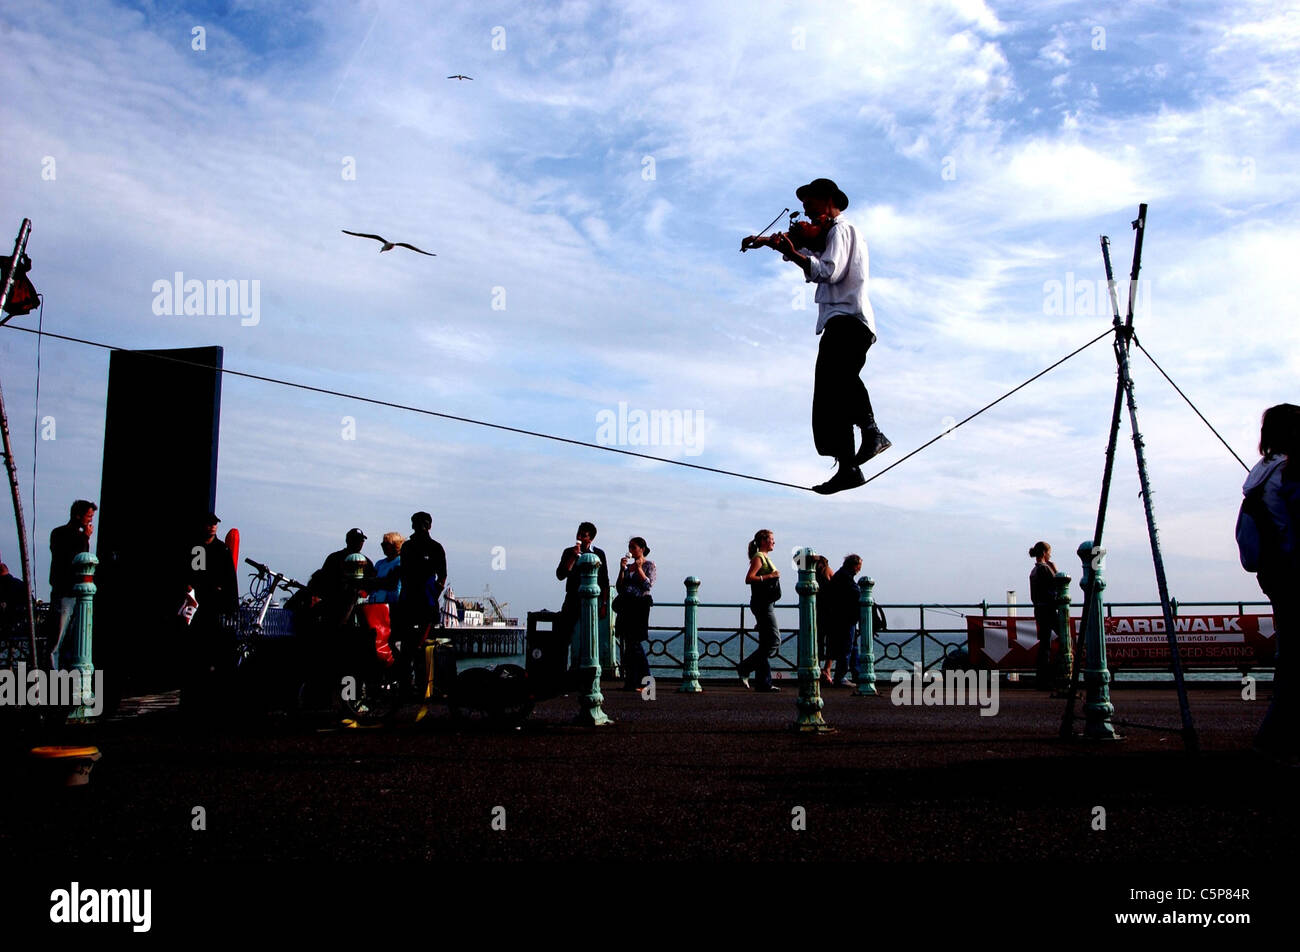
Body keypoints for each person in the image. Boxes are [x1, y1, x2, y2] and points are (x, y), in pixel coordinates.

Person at [742, 178, 890, 494]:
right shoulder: (828, 234)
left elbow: (828, 271)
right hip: (842, 322)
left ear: (826, 200)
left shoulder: (841, 230)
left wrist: (793, 254)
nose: (805, 211)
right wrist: (770, 242)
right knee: (830, 393)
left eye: (809, 202)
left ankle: (871, 432)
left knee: (837, 379)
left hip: (850, 320)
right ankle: (848, 465)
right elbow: (804, 249)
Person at [1242, 404, 1300, 757]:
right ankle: (1279, 737)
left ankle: (1276, 733)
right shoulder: (1290, 471)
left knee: (1290, 652)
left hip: (1274, 572)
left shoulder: (1260, 473)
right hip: (1293, 570)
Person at [182, 513, 239, 710]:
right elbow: (195, 574)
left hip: (215, 606)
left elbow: (230, 579)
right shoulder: (199, 548)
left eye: (214, 524)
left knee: (213, 650)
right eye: (210, 524)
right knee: (197, 651)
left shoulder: (220, 549)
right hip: (200, 604)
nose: (213, 527)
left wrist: (231, 606)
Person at [395, 512, 447, 690]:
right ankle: (407, 684)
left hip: (426, 603)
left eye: (422, 523)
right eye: (416, 523)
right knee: (408, 646)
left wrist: (434, 594)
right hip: (409, 601)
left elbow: (442, 576)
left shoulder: (435, 548)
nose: (419, 527)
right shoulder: (408, 547)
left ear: (429, 526)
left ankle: (425, 684)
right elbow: (403, 571)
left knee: (424, 646)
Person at [48, 500, 96, 668]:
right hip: (65, 591)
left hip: (71, 592)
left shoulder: (59, 533)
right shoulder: (65, 534)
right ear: (78, 515)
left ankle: (62, 674)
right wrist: (85, 538)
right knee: (58, 639)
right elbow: (79, 558)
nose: (90, 520)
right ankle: (54, 676)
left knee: (69, 639)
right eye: (89, 516)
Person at [555, 521, 610, 665]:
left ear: (590, 538)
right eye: (578, 533)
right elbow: (560, 575)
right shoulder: (569, 552)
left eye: (583, 535)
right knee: (564, 634)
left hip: (592, 600)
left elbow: (604, 581)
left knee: (589, 635)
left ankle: (588, 666)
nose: (579, 536)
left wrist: (604, 604)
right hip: (572, 596)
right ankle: (561, 668)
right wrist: (573, 557)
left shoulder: (598, 554)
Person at [737, 529, 782, 692]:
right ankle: (745, 667)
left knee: (765, 643)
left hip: (765, 603)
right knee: (775, 641)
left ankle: (764, 683)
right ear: (763, 541)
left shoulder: (765, 557)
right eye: (771, 539)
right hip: (762, 604)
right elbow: (749, 578)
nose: (773, 542)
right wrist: (770, 576)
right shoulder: (759, 557)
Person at [614, 536, 656, 691]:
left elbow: (648, 584)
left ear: (642, 549)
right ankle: (632, 681)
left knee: (635, 642)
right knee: (629, 644)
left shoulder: (649, 565)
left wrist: (639, 568)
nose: (631, 550)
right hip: (627, 605)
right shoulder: (628, 567)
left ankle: (646, 681)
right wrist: (622, 569)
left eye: (633, 547)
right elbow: (619, 587)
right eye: (630, 547)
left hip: (640, 605)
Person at [827, 555, 863, 686]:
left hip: (843, 617)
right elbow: (854, 594)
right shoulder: (845, 578)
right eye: (859, 567)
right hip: (845, 618)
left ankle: (857, 674)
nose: (859, 570)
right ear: (854, 565)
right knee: (847, 647)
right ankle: (840, 677)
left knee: (852, 646)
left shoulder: (841, 575)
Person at [1028, 541, 1058, 689]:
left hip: (1039, 609)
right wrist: (1055, 570)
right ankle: (1054, 675)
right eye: (1049, 552)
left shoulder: (1034, 571)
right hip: (1049, 609)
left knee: (1044, 643)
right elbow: (1057, 586)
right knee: (1066, 639)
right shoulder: (1045, 570)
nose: (1051, 554)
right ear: (1045, 553)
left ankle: (1042, 677)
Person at [813, 555, 834, 683]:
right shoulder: (827, 570)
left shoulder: (815, 574)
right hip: (828, 610)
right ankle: (827, 669)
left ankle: (820, 668)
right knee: (830, 641)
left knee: (818, 641)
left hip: (817, 610)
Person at [367, 532, 404, 605]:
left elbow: (391, 583)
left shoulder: (401, 562)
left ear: (395, 545)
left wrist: (376, 582)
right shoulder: (379, 563)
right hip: (376, 603)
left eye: (386, 545)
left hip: (393, 604)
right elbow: (370, 582)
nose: (383, 547)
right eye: (382, 544)